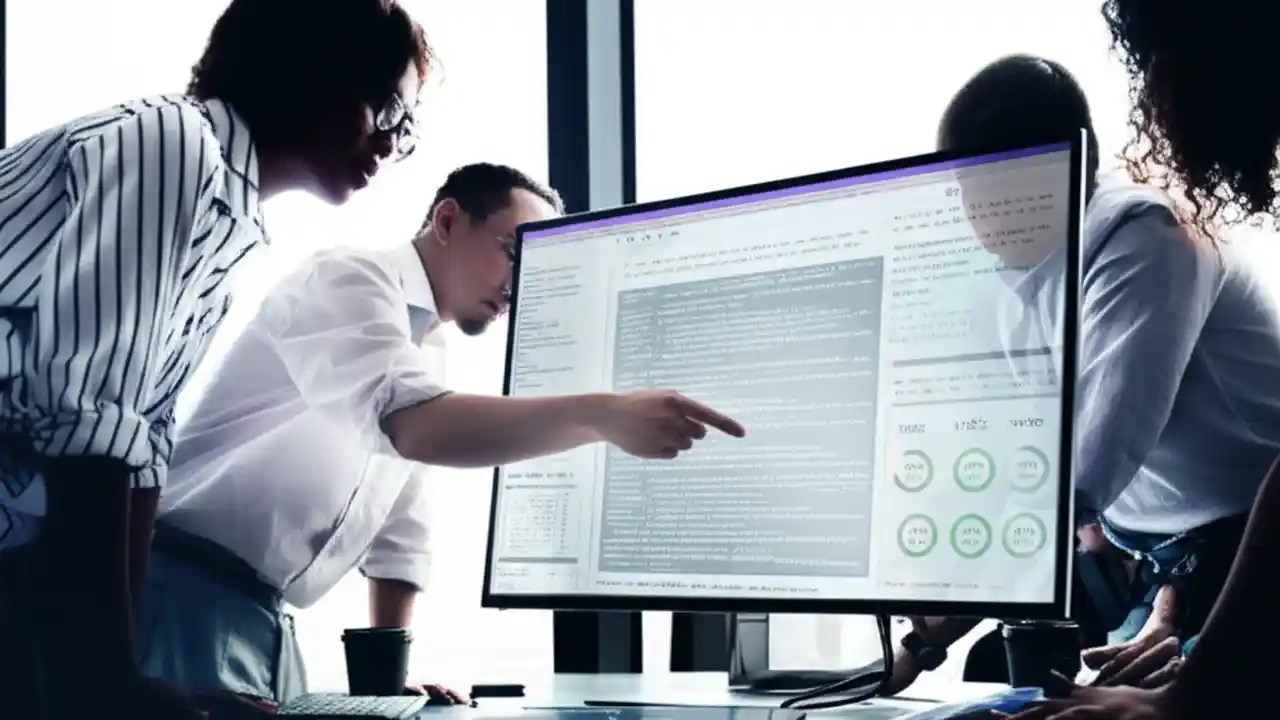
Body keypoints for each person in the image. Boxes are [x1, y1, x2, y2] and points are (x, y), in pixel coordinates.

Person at [135, 162, 747, 704]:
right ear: (448, 220)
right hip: (188, 591)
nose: (522, 280)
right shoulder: (347, 280)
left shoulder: (426, 354)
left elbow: (400, 530)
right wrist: (602, 416)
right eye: (514, 248)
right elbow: (420, 429)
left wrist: (384, 676)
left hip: (260, 616)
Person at [0, 1, 433, 717]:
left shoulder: (232, 229)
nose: (390, 144)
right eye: (387, 109)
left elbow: (137, 452)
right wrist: (114, 688)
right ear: (312, 69)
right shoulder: (173, 144)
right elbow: (88, 433)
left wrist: (144, 685)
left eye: (405, 129)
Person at [886, 54, 1280, 697]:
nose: (973, 211)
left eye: (989, 186)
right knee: (1003, 671)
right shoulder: (1022, 276)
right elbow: (1015, 467)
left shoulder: (1147, 239)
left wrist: (924, 639)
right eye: (963, 188)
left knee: (1084, 692)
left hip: (1250, 549)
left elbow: (1075, 477)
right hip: (1157, 562)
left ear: (1066, 167)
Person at [1005, 2, 1280, 717]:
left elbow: (1081, 476)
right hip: (1192, 564)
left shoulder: (1146, 234)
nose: (1152, 94)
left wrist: (1186, 698)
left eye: (1159, 59)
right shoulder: (1045, 276)